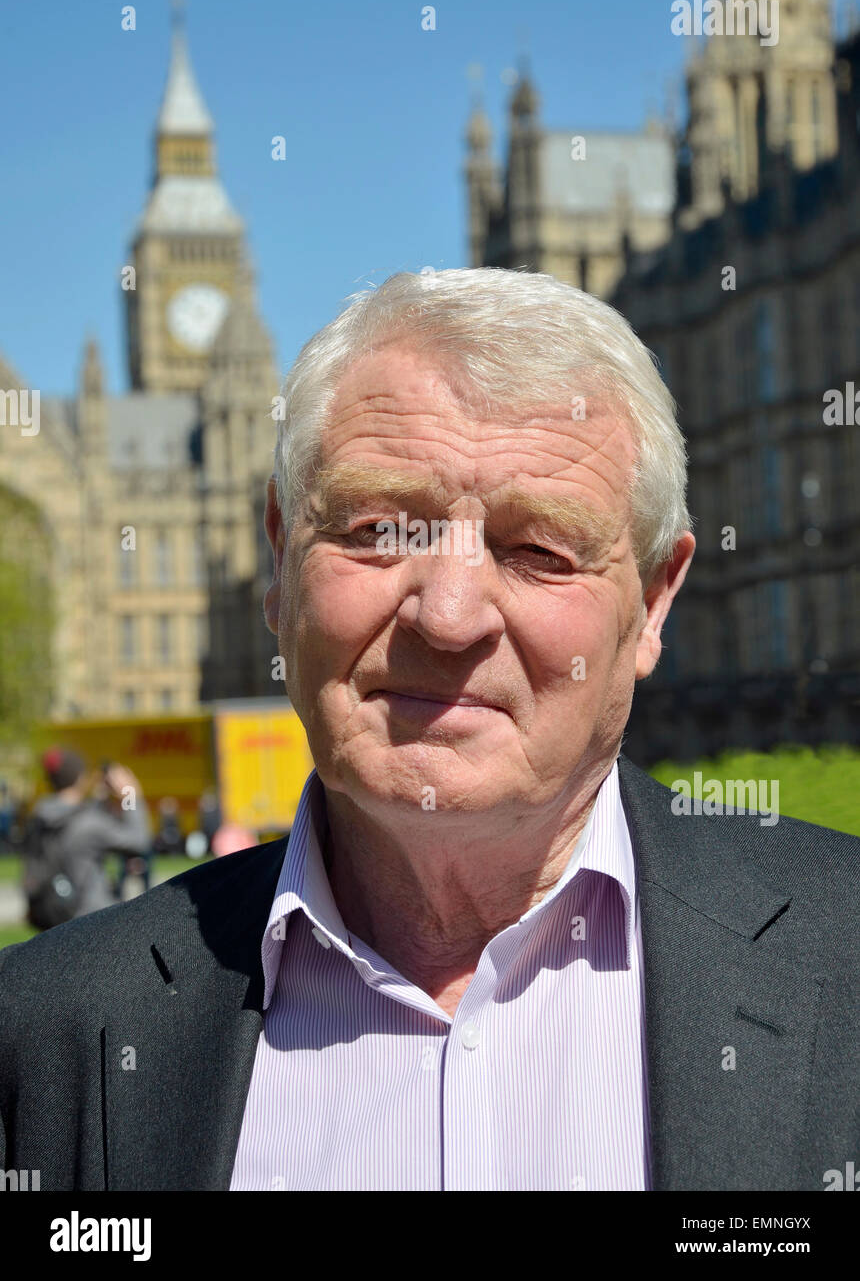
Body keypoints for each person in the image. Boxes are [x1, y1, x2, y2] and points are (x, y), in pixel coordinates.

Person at [0, 268, 857, 1190]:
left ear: (652, 603)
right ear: (280, 563)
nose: (448, 617)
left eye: (539, 550)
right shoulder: (45, 1032)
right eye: (378, 529)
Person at [20, 750, 152, 929]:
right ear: (80, 778)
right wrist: (130, 794)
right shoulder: (88, 823)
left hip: (51, 922)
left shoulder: (38, 817)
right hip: (90, 922)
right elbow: (138, 840)